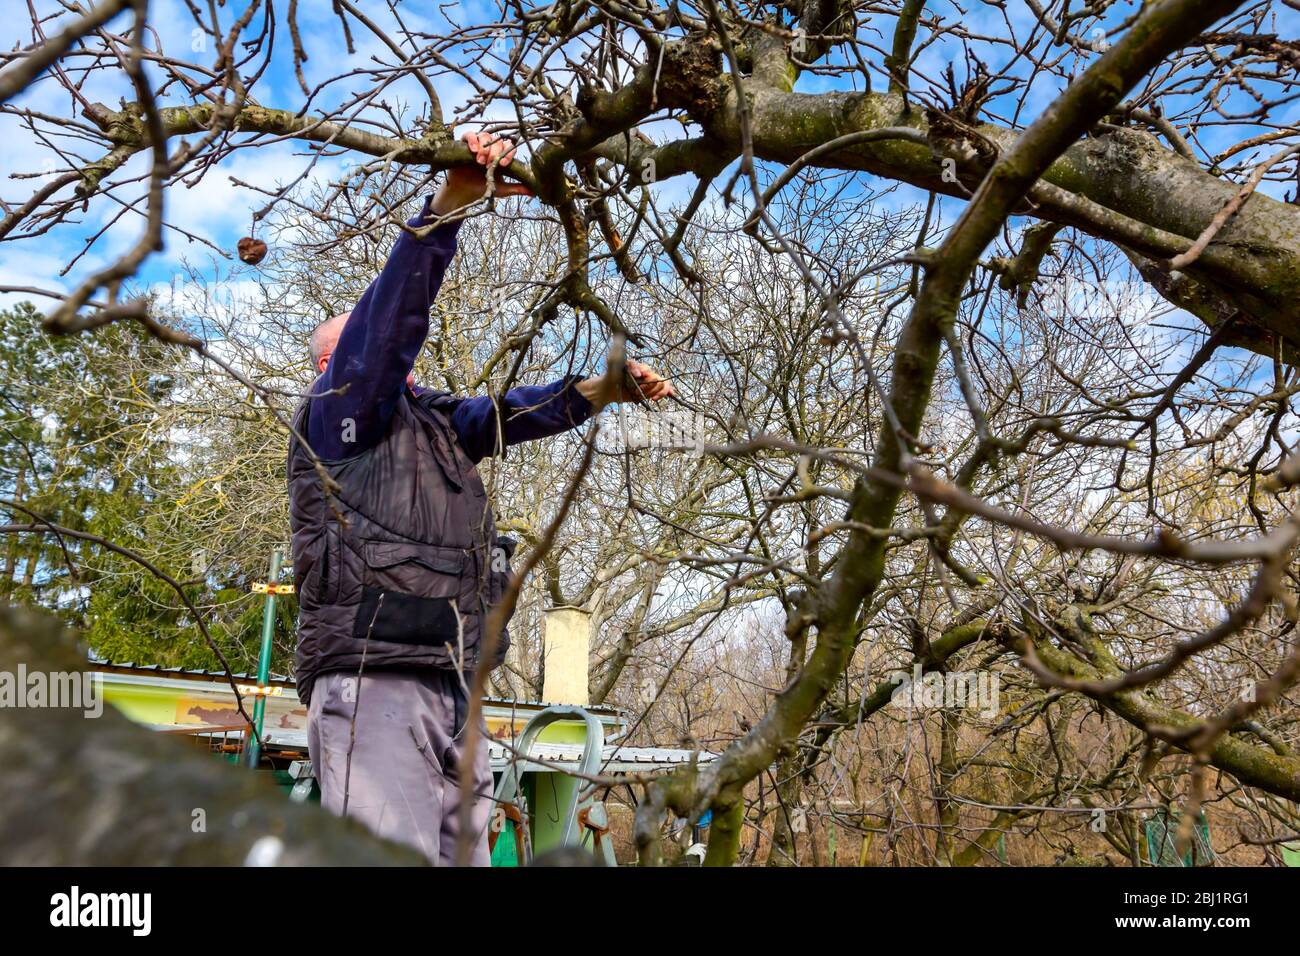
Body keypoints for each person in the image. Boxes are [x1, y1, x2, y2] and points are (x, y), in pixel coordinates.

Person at [287, 132, 673, 865]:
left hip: (449, 682)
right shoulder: (337, 416)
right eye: (354, 352)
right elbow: (387, 329)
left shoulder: (432, 424)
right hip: (373, 677)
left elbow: (507, 415)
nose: (377, 360)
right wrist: (448, 209)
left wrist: (604, 388)